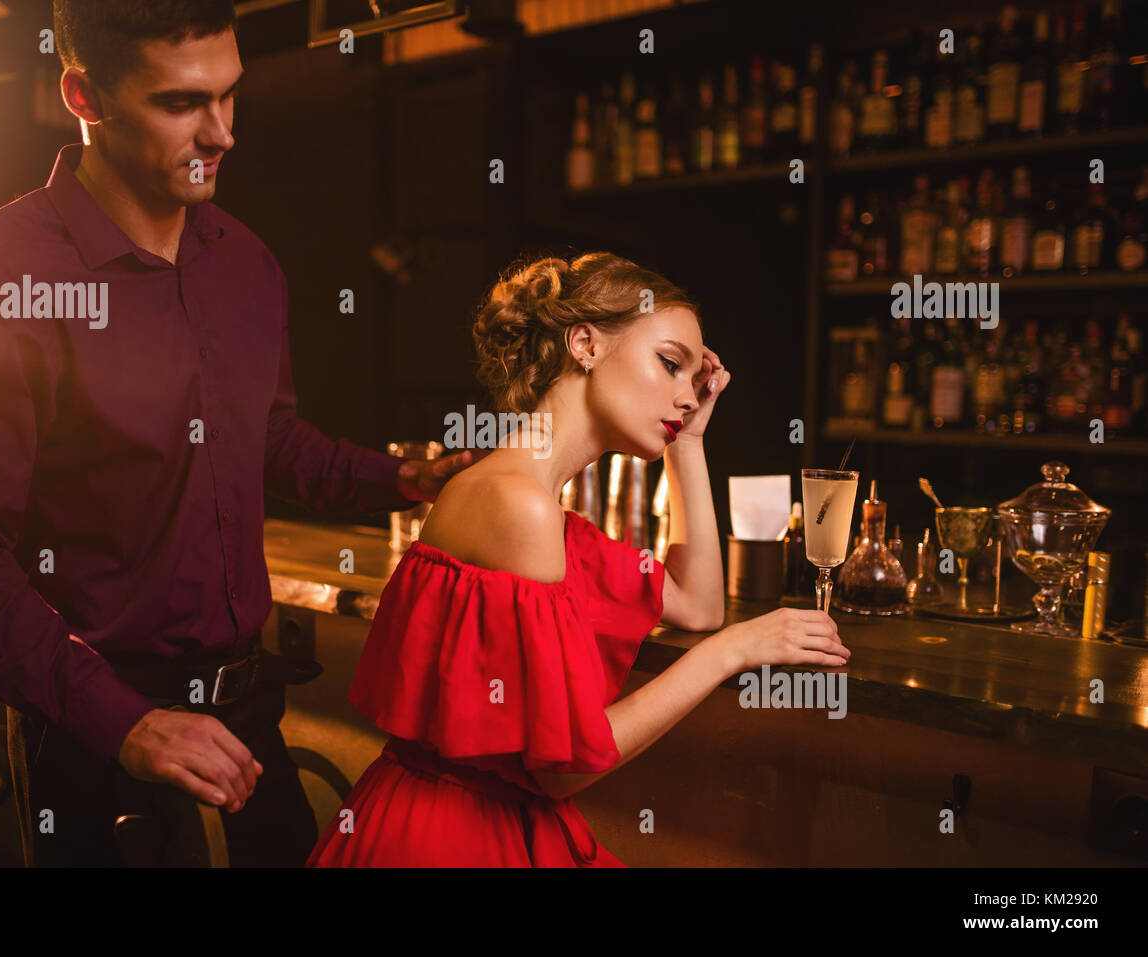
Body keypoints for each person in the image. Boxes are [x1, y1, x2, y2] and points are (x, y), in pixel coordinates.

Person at [0, 0, 474, 867]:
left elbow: (268, 440)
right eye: (181, 104)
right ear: (85, 97)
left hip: (248, 716)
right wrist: (126, 723)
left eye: (230, 96)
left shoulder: (245, 262)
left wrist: (402, 479)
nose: (222, 133)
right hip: (95, 734)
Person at [306, 252, 850, 867]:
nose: (683, 395)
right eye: (670, 364)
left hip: (484, 827)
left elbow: (698, 603)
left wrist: (691, 443)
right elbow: (562, 771)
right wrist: (730, 653)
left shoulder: (544, 514)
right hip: (447, 842)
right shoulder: (517, 507)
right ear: (584, 344)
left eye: (692, 378)